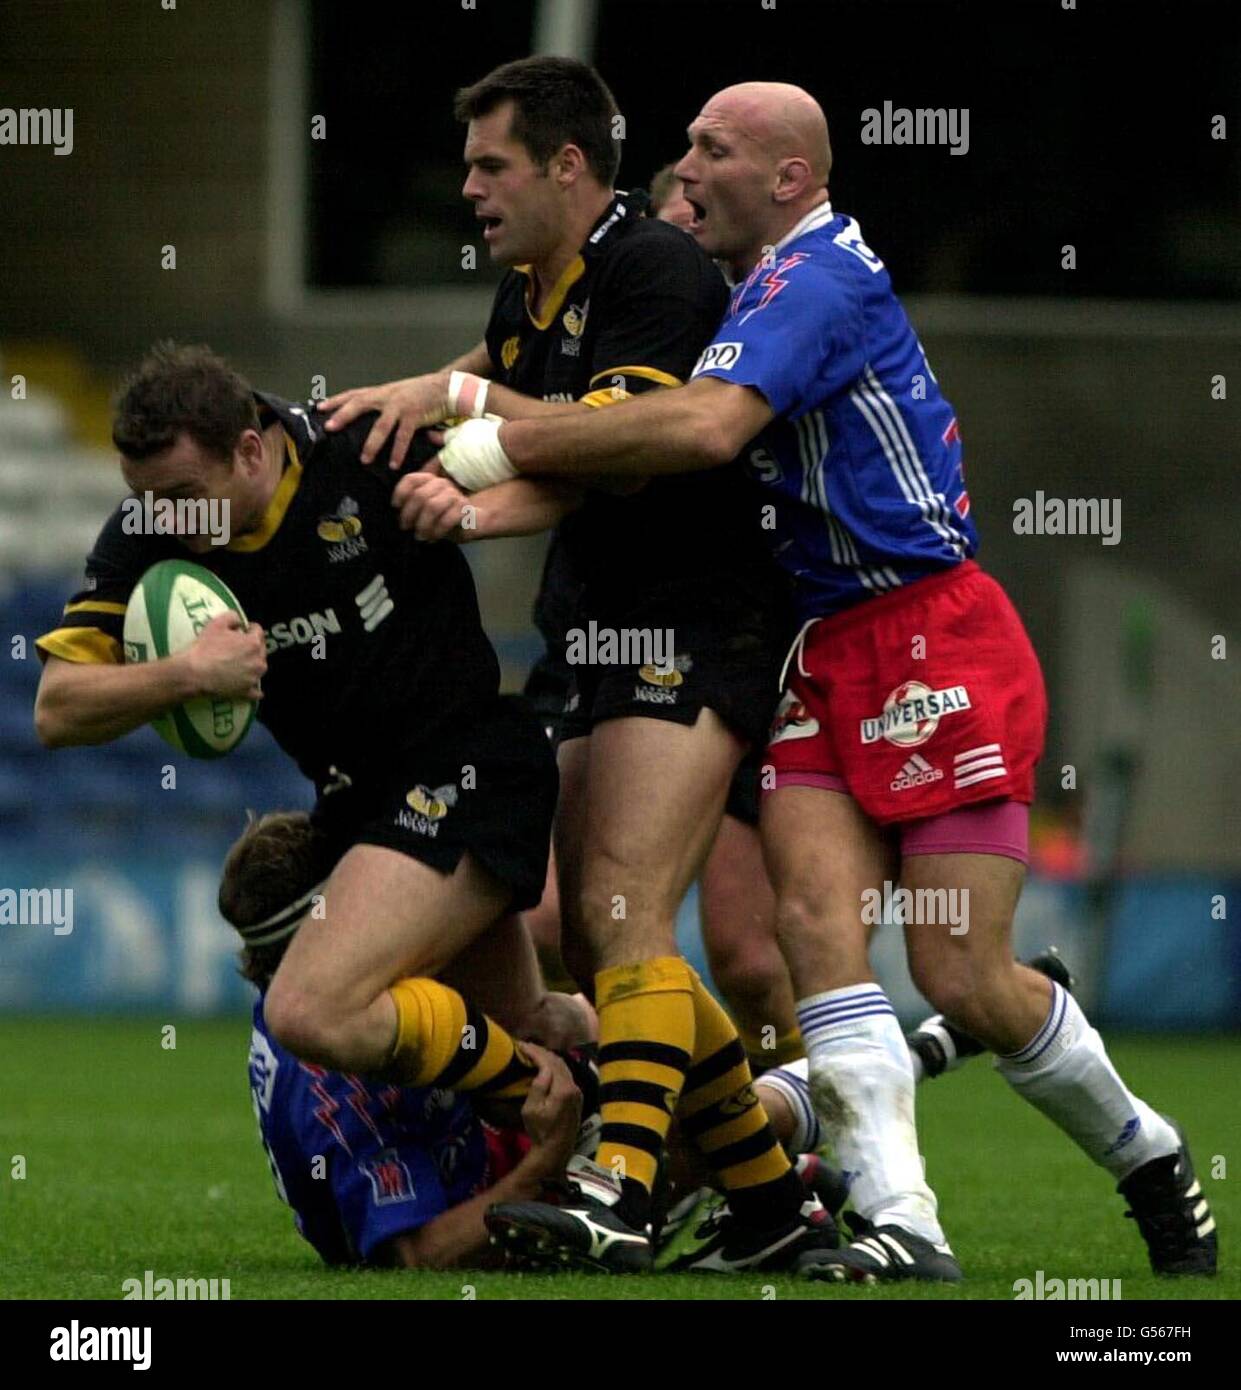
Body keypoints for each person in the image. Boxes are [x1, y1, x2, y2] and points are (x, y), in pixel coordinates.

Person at [417, 81, 1217, 1282]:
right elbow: (572, 357)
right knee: (806, 935)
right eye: (681, 145)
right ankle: (904, 1223)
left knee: (962, 973)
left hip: (929, 634)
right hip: (819, 650)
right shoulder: (738, 282)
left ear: (788, 179)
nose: (678, 169)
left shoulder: (812, 280)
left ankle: (1149, 1156)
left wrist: (487, 429)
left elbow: (696, 431)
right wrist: (448, 389)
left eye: (710, 150)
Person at [318, 57, 831, 1273]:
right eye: (466, 167)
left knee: (630, 915)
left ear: (564, 165)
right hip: (592, 632)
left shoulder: (648, 266)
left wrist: (468, 460)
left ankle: (617, 1184)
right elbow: (526, 412)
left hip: (689, 627)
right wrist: (449, 415)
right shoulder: (531, 293)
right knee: (604, 946)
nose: (469, 189)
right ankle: (767, 1206)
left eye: (490, 164)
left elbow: (627, 452)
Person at [34, 343, 594, 1128]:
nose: (169, 520)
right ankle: (723, 1116)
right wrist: (188, 674)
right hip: (357, 805)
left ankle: (554, 1107)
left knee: (309, 1011)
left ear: (251, 449)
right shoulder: (151, 527)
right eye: (149, 501)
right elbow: (57, 710)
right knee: (526, 1023)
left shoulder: (365, 446)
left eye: (185, 495)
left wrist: (475, 513)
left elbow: (572, 477)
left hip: (465, 769)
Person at [224, 810, 585, 1269]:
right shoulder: (335, 1086)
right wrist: (546, 1167)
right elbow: (416, 1254)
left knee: (587, 1021)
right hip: (479, 1199)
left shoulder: (322, 1004)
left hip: (475, 1143)